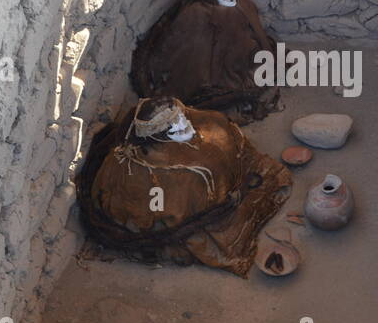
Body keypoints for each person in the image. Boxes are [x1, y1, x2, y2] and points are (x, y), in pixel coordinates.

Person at [77, 96, 292, 277]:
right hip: (176, 201)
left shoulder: (194, 127)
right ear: (157, 137)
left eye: (181, 116)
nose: (185, 123)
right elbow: (158, 207)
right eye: (175, 124)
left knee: (217, 130)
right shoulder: (163, 175)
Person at [130, 0, 279, 123]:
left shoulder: (242, 4)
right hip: (216, 69)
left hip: (241, 60)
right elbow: (181, 49)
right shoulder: (196, 15)